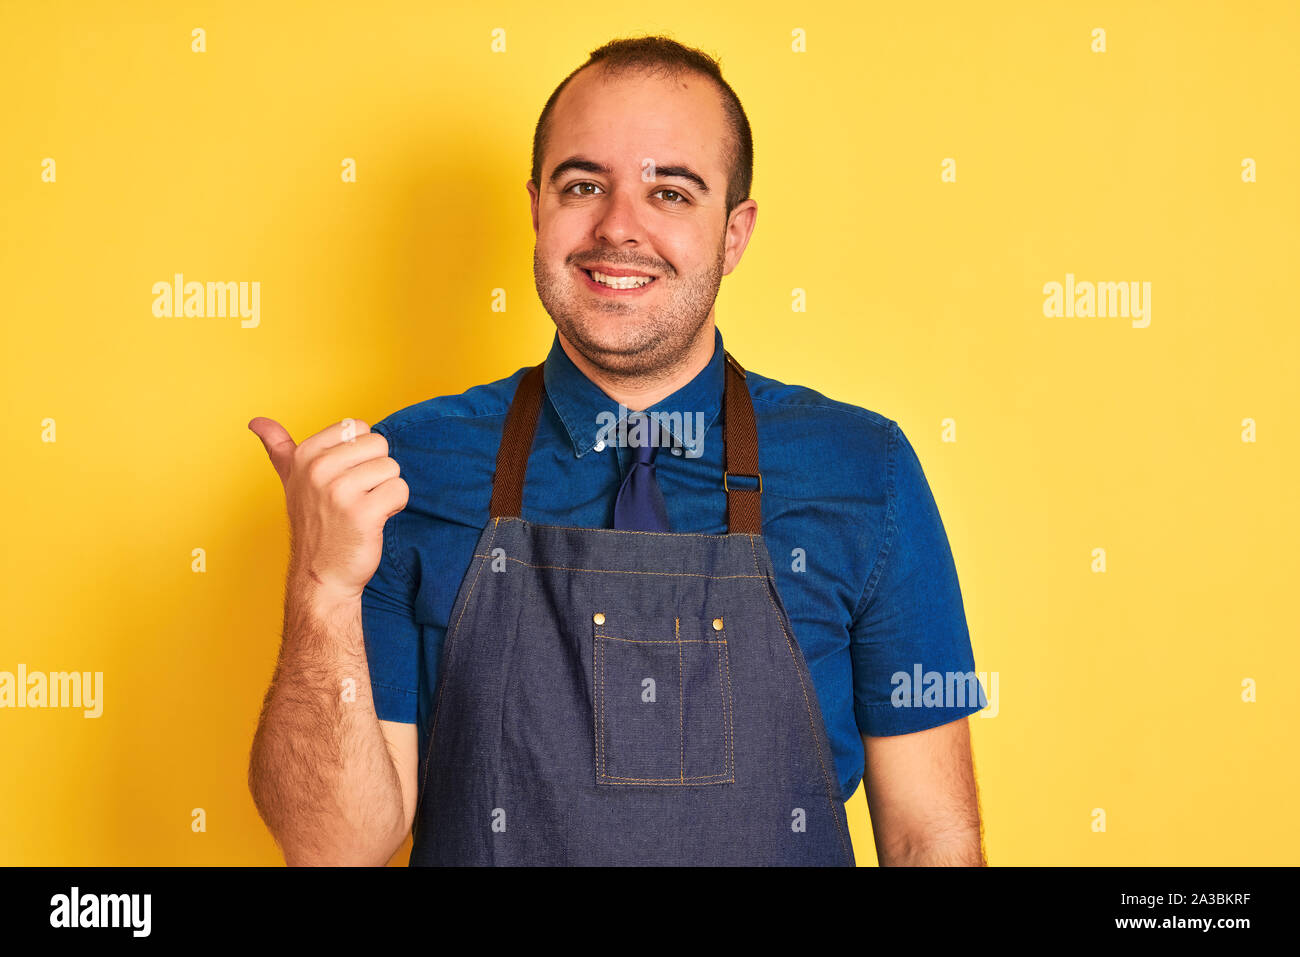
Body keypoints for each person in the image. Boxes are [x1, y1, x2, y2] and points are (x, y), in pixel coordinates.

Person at [247, 34, 987, 866]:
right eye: (583, 184)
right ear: (536, 206)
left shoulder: (866, 469)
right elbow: (333, 848)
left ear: (735, 233)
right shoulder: (405, 466)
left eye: (670, 191)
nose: (618, 227)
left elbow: (932, 837)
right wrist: (320, 585)